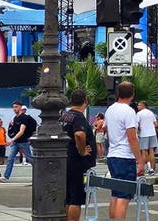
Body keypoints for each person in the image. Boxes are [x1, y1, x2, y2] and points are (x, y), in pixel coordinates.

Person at [104, 81, 144, 219]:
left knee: (115, 193)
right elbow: (132, 137)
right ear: (132, 94)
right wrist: (140, 160)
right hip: (125, 156)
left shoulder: (110, 110)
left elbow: (108, 132)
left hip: (112, 155)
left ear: (118, 93)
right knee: (124, 196)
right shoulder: (129, 111)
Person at [61, 88, 96, 221]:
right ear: (85, 101)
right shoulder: (79, 117)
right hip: (78, 163)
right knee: (77, 198)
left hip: (66, 159)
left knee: (69, 197)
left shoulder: (65, 116)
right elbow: (79, 134)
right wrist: (82, 150)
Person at [0, 101, 35, 180]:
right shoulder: (15, 118)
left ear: (21, 107)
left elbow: (21, 131)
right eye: (13, 107)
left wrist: (11, 140)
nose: (14, 109)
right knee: (10, 158)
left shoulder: (24, 117)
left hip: (23, 142)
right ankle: (6, 177)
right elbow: (16, 130)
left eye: (16, 107)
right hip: (16, 142)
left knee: (30, 159)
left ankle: (40, 173)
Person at [136, 100, 158, 175]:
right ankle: (152, 169)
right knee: (151, 151)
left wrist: (139, 129)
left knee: (144, 151)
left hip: (144, 134)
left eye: (139, 105)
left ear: (143, 106)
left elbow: (137, 125)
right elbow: (156, 124)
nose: (137, 106)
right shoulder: (151, 113)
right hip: (152, 133)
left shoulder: (139, 114)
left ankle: (145, 168)